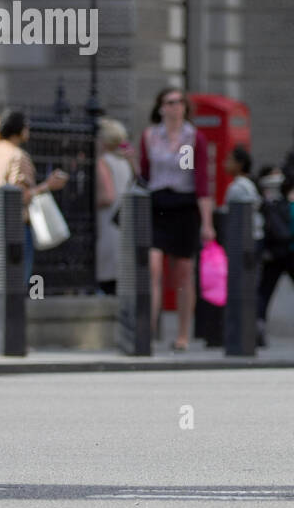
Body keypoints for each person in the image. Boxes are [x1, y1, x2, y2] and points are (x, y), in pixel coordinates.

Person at [0, 109, 68, 351]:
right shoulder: (18, 156)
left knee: (0, 279)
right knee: (17, 280)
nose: (29, 130)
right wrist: (48, 185)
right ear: (19, 130)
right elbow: (21, 196)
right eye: (26, 126)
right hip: (16, 224)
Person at [140, 88, 215, 351]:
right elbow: (145, 175)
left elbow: (202, 182)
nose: (175, 107)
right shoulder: (150, 136)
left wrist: (207, 222)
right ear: (160, 107)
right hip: (158, 204)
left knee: (183, 274)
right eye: (170, 103)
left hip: (184, 205)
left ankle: (183, 333)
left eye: (179, 102)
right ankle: (147, 330)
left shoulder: (193, 137)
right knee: (153, 267)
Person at [258, 167, 294, 344]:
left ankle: (259, 326)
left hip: (274, 254)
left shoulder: (275, 205)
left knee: (264, 292)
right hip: (293, 254)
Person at [95, 118, 136, 295]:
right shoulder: (124, 161)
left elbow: (107, 196)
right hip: (121, 221)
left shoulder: (102, 162)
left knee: (105, 276)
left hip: (106, 222)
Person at [223, 145, 264, 243]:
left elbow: (237, 216)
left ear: (240, 164)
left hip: (244, 239)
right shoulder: (249, 183)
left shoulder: (238, 187)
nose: (225, 163)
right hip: (254, 235)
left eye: (229, 159)